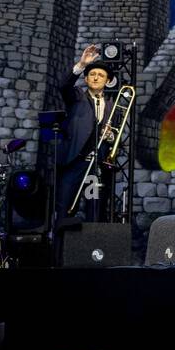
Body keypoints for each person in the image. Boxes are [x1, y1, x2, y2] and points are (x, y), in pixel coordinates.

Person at [55, 44, 117, 223]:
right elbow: (63, 86)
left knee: (94, 211)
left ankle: (92, 250)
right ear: (87, 79)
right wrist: (81, 64)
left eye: (100, 75)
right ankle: (60, 249)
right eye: (92, 74)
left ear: (107, 81)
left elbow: (117, 136)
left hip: (96, 167)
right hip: (74, 162)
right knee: (64, 210)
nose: (96, 77)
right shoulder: (76, 96)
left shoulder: (113, 106)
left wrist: (110, 136)